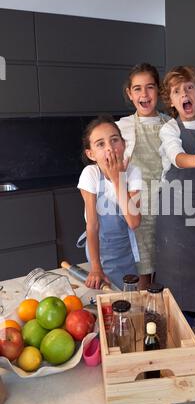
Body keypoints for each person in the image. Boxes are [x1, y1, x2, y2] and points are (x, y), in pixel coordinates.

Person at [155, 65, 195, 328]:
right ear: (171, 100)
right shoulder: (169, 129)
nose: (184, 94)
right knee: (177, 282)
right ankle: (177, 334)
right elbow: (176, 156)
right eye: (176, 91)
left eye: (190, 88)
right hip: (175, 219)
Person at [116, 63, 169, 289]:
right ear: (129, 93)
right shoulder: (122, 127)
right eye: (137, 89)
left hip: (170, 208)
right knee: (143, 277)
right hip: (139, 210)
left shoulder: (171, 125)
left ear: (158, 91)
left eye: (150, 87)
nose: (144, 94)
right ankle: (146, 320)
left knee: (168, 273)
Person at [77, 114, 142, 290]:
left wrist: (117, 179)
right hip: (99, 253)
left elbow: (134, 222)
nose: (109, 148)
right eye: (100, 144)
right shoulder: (91, 174)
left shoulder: (133, 172)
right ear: (91, 154)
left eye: (114, 140)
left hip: (126, 254)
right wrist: (96, 269)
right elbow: (92, 225)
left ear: (124, 144)